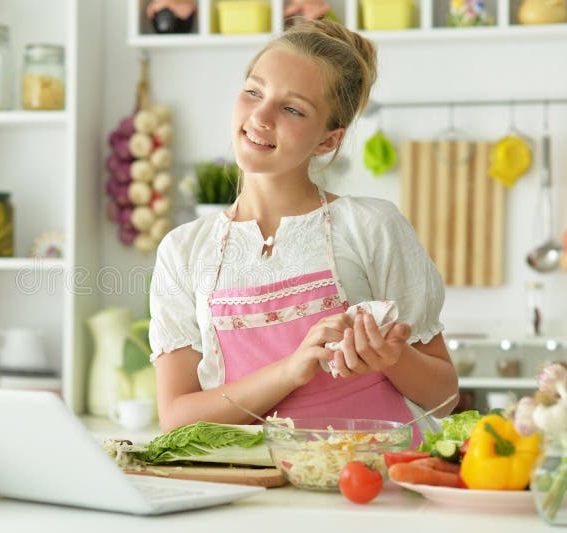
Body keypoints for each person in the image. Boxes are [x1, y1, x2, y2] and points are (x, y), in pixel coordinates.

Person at [147, 18, 458, 445]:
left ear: (328, 141)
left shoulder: (372, 227)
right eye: (254, 91)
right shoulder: (183, 250)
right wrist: (289, 372)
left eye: (292, 109)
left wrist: (392, 357)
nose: (260, 116)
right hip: (248, 490)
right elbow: (178, 420)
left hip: (374, 485)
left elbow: (446, 395)